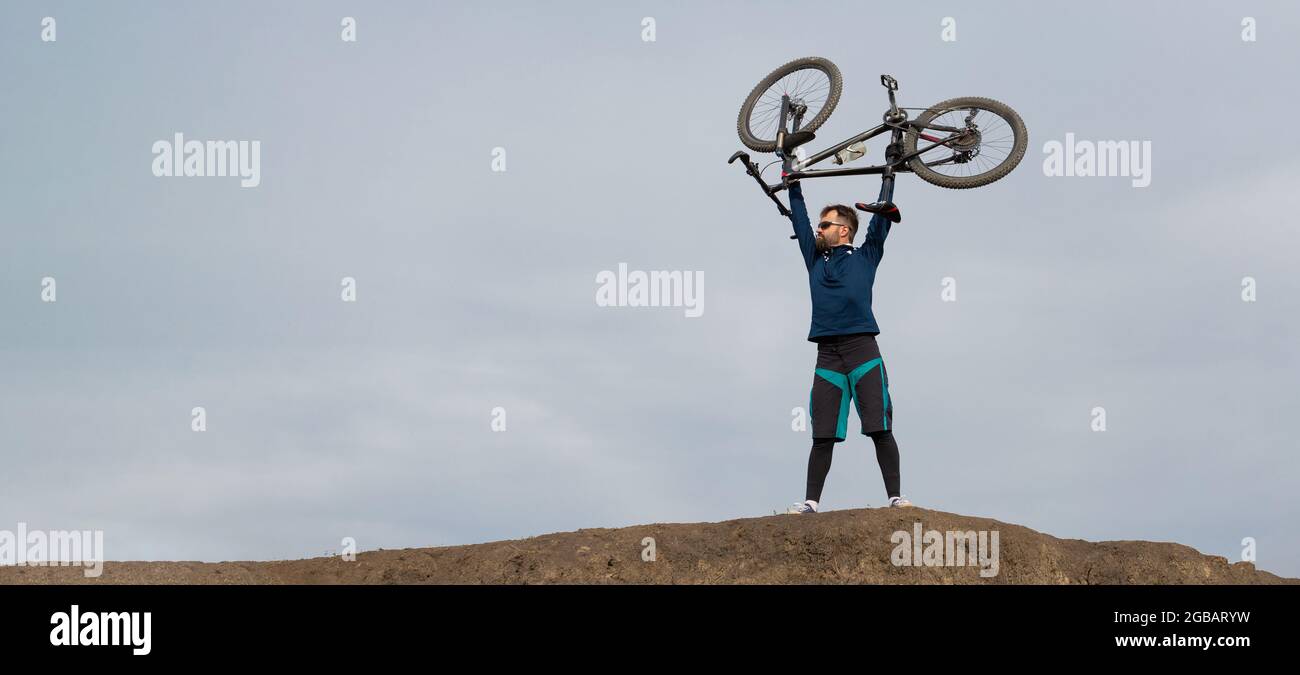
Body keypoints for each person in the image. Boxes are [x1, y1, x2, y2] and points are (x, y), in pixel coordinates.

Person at [784, 176, 912, 513]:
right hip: (827, 355)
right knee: (822, 436)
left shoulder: (866, 255)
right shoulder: (814, 259)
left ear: (844, 230)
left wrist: (890, 171)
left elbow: (882, 218)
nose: (818, 229)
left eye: (825, 224)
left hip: (863, 351)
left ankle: (895, 498)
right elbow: (798, 216)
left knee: (879, 427)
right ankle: (811, 503)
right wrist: (791, 179)